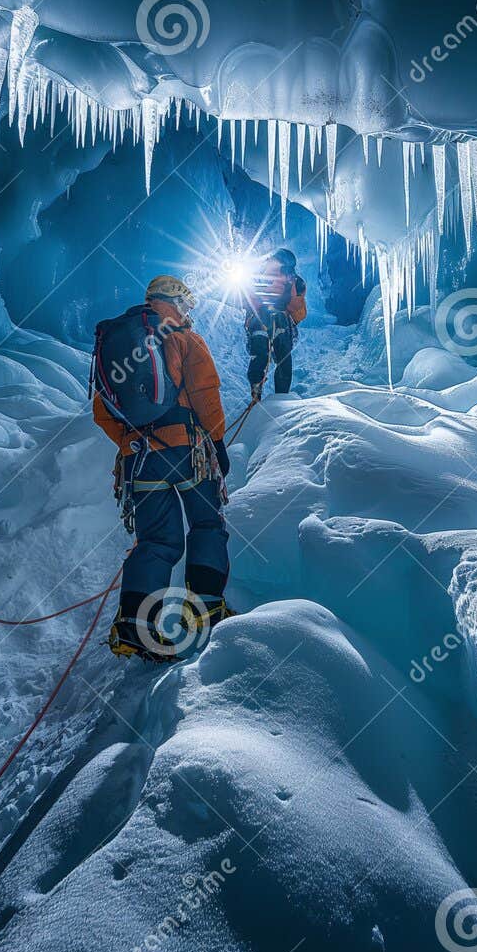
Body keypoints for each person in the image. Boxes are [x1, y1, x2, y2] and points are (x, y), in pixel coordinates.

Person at [92, 275, 234, 660]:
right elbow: (205, 395)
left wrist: (131, 443)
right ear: (177, 302)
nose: (189, 313)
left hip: (139, 462)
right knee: (206, 524)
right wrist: (217, 443)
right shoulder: (185, 337)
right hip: (189, 452)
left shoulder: (113, 341)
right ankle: (206, 607)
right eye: (186, 305)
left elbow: (101, 411)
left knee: (156, 540)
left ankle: (135, 627)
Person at [245, 248, 306, 402]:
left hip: (264, 320)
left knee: (261, 352)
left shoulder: (261, 276)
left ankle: (256, 390)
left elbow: (249, 300)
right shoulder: (294, 281)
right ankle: (280, 397)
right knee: (282, 357)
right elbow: (298, 312)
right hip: (275, 321)